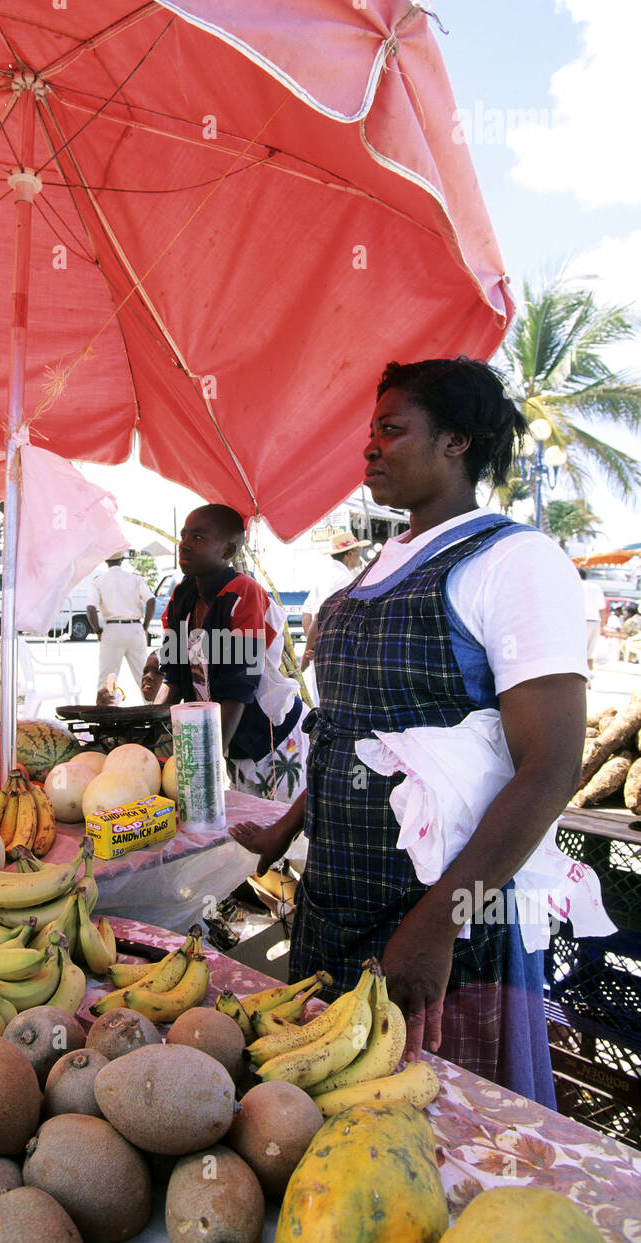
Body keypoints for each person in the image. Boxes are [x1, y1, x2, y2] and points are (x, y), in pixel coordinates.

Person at [231, 357, 589, 1106]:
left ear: (457, 442)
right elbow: (349, 729)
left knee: (434, 1134)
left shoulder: (514, 562)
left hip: (443, 922)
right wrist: (285, 832)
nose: (369, 448)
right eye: (370, 430)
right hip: (336, 902)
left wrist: (441, 921)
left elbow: (551, 766)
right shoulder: (371, 569)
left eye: (392, 430)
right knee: (320, 1116)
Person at [158, 504, 307, 802]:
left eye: (198, 537)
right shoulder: (181, 596)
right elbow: (174, 675)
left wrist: (206, 765)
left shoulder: (244, 594)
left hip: (272, 739)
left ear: (227, 552)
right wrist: (157, 739)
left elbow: (239, 686)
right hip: (227, 737)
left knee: (275, 829)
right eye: (183, 534)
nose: (184, 543)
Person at [86, 553, 154, 698]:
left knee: (108, 676)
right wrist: (145, 626)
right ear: (122, 560)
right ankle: (152, 708)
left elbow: (90, 608)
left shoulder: (98, 581)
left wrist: (98, 630)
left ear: (105, 560)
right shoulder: (135, 579)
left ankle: (107, 709)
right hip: (134, 628)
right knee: (143, 674)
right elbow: (151, 600)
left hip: (112, 629)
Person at [300, 533, 370, 674]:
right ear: (349, 554)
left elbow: (307, 614)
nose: (359, 555)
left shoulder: (325, 574)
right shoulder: (342, 580)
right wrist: (314, 649)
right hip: (331, 655)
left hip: (322, 652)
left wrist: (312, 644)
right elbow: (319, 615)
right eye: (358, 551)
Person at [577, 568, 607, 672]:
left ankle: (583, 677)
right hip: (595, 621)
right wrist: (603, 626)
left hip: (580, 621)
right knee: (590, 652)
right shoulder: (596, 587)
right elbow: (602, 609)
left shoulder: (575, 585)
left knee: (578, 652)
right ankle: (590, 676)